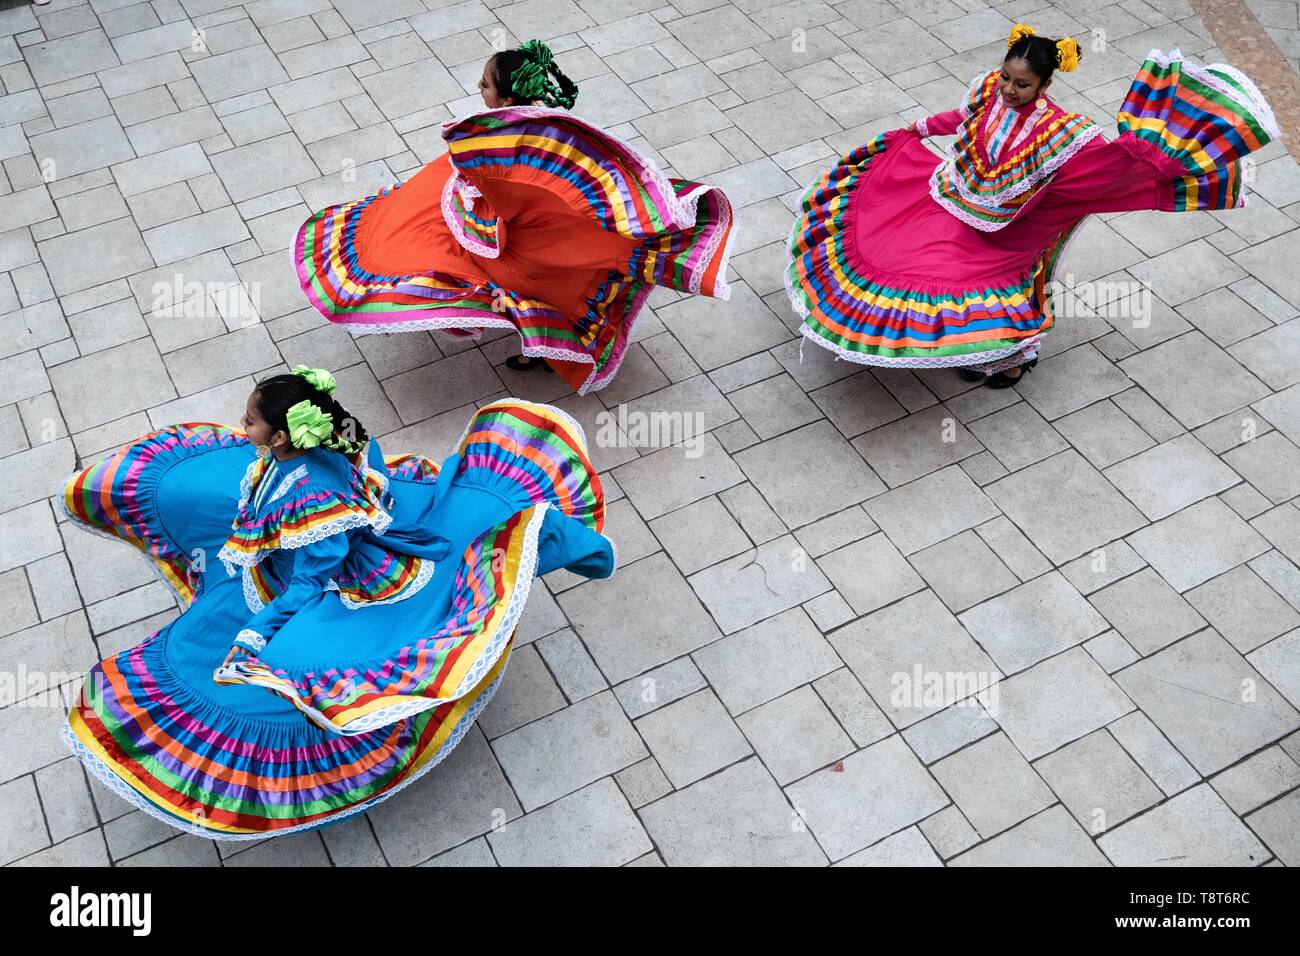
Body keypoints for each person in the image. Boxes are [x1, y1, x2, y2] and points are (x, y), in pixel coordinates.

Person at [60, 367, 614, 839]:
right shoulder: (314, 445)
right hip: (299, 547)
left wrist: (258, 637)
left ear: (279, 437)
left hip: (321, 574)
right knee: (194, 501)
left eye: (250, 421)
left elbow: (310, 580)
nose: (241, 427)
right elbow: (358, 451)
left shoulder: (312, 501)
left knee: (282, 676)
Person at [786, 25, 1279, 387]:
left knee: (1005, 278)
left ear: (1045, 86)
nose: (1008, 89)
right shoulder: (987, 91)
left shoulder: (1062, 130)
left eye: (1021, 85)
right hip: (962, 199)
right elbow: (960, 117)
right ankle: (980, 344)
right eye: (1006, 78)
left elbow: (1102, 167)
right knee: (903, 247)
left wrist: (1149, 160)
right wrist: (916, 130)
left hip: (1020, 221)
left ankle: (1015, 356)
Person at [296, 39, 735, 393]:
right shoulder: (543, 135)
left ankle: (540, 347)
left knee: (479, 272)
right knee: (523, 281)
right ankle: (538, 349)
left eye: (485, 84)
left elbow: (499, 210)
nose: (478, 86)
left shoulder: (507, 146)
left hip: (518, 241)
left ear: (505, 97)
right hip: (529, 229)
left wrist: (471, 201)